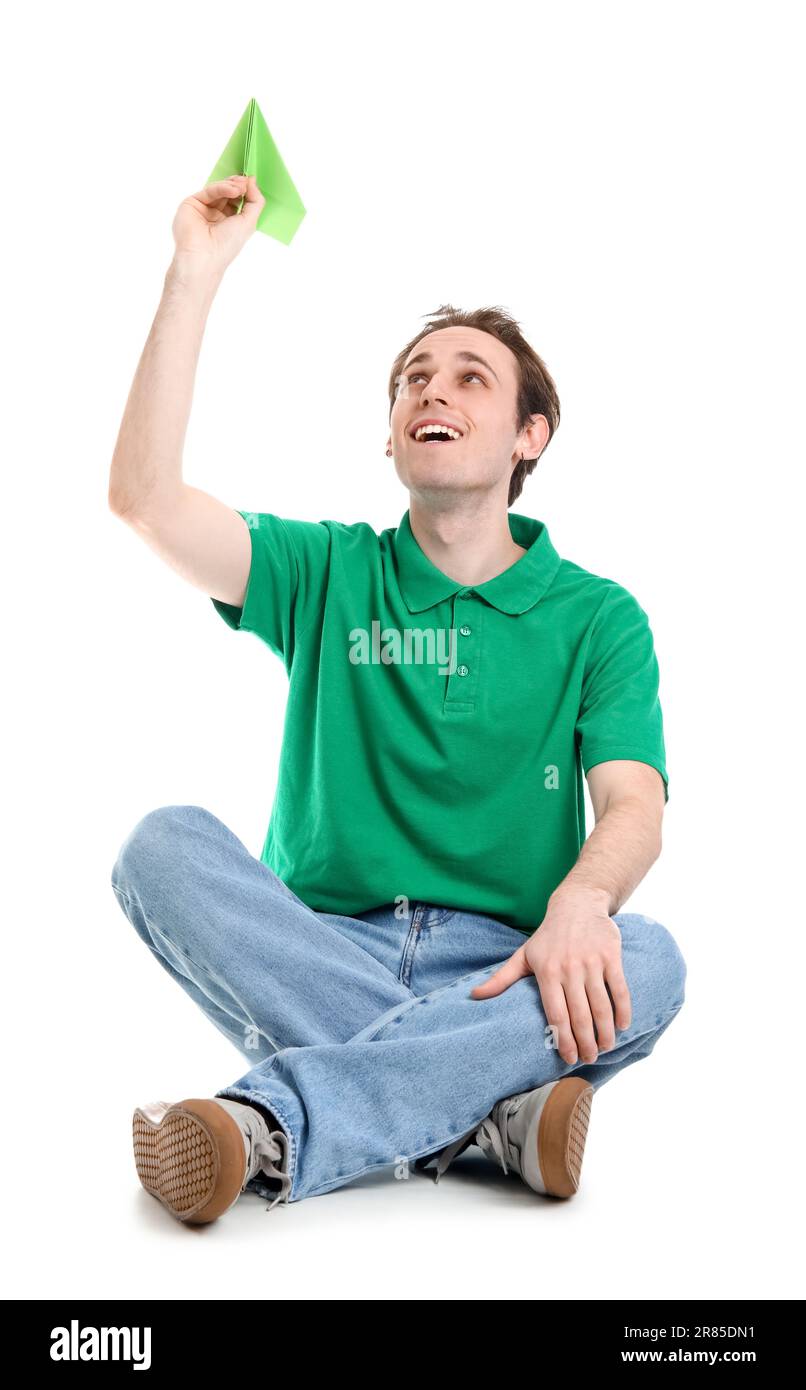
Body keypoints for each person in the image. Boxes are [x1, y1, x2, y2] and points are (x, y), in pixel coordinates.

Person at [108, 173, 687, 1226]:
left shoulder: (599, 617)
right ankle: (477, 1112)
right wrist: (193, 274)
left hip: (507, 968)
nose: (433, 391)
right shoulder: (324, 572)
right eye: (413, 378)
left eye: (471, 379)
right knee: (159, 845)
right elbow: (144, 501)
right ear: (387, 436)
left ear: (529, 436)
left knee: (646, 956)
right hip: (316, 943)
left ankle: (268, 1122)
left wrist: (577, 901)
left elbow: (631, 807)